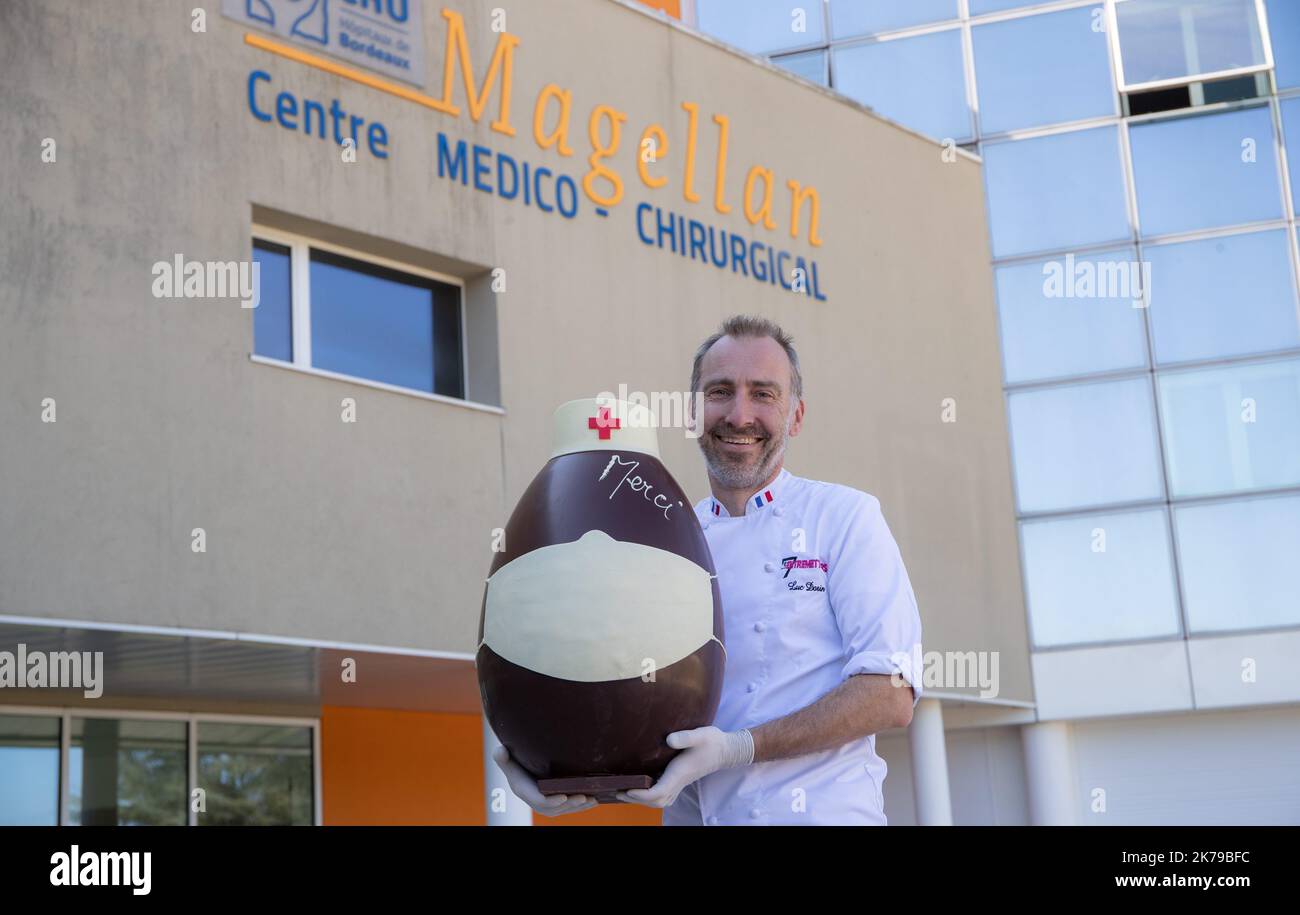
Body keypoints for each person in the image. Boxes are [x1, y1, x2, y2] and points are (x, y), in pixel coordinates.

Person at [493, 314, 923, 824]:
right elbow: (614, 673)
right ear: (694, 413)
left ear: (796, 415)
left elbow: (890, 694)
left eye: (764, 394)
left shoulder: (846, 517)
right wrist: (533, 759)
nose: (739, 415)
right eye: (720, 392)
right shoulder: (668, 536)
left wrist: (737, 748)